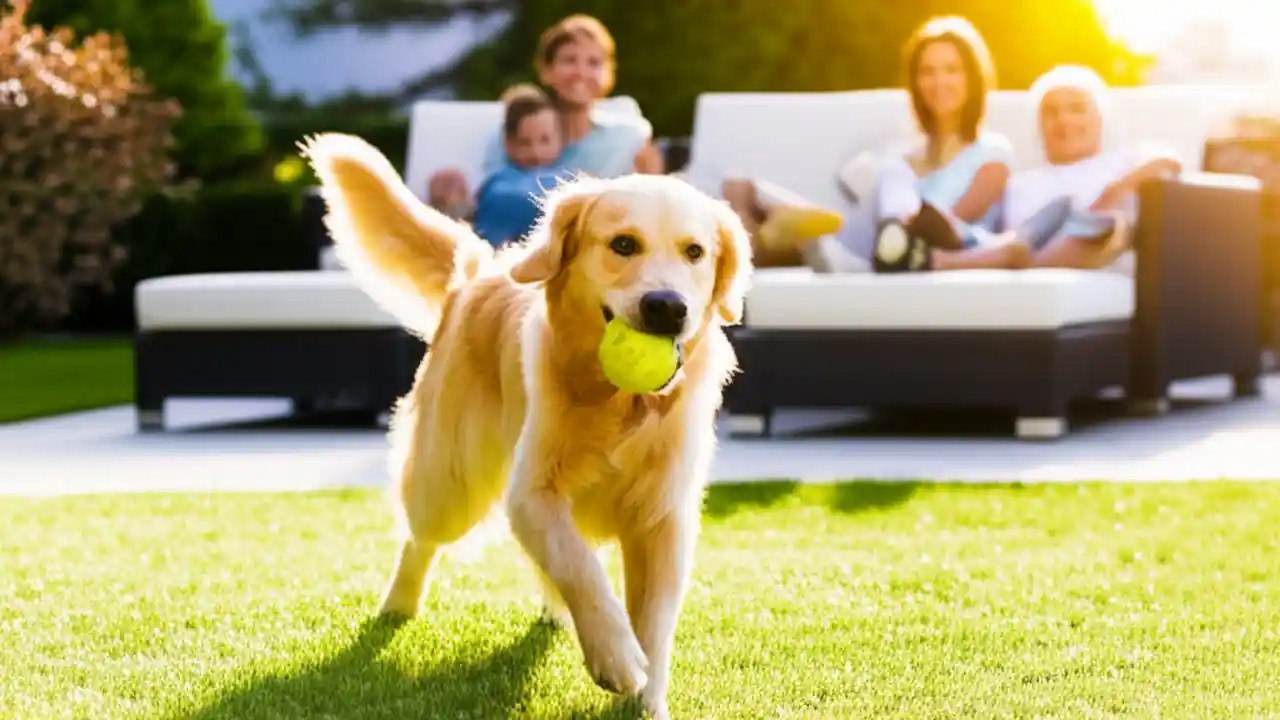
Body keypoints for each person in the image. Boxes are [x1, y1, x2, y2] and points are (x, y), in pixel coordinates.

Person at [721, 15, 1015, 268]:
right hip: (863, 234)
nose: (939, 82)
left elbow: (947, 226)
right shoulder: (909, 155)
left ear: (972, 79)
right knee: (738, 187)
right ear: (916, 82)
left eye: (951, 70)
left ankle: (837, 248)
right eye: (928, 71)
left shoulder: (992, 153)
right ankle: (764, 261)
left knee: (891, 173)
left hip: (918, 245)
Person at [864, 64, 1182, 273]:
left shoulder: (1125, 158)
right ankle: (917, 253)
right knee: (987, 236)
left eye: (1077, 109)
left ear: (1100, 117)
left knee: (1107, 225)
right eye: (1052, 113)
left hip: (1091, 241)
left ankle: (939, 261)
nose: (1065, 121)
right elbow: (1006, 233)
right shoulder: (1021, 184)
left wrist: (1113, 192)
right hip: (1019, 245)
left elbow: (1168, 161)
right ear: (1038, 124)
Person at [426, 14, 661, 216]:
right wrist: (455, 199)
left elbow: (655, 198)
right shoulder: (517, 132)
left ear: (609, 74)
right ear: (546, 70)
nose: (581, 72)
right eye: (569, 60)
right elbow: (495, 201)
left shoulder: (630, 138)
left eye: (594, 62)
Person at [471, 84, 569, 247]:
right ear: (508, 144)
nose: (536, 153)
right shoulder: (499, 183)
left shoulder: (572, 177)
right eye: (524, 143)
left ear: (561, 140)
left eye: (545, 141)